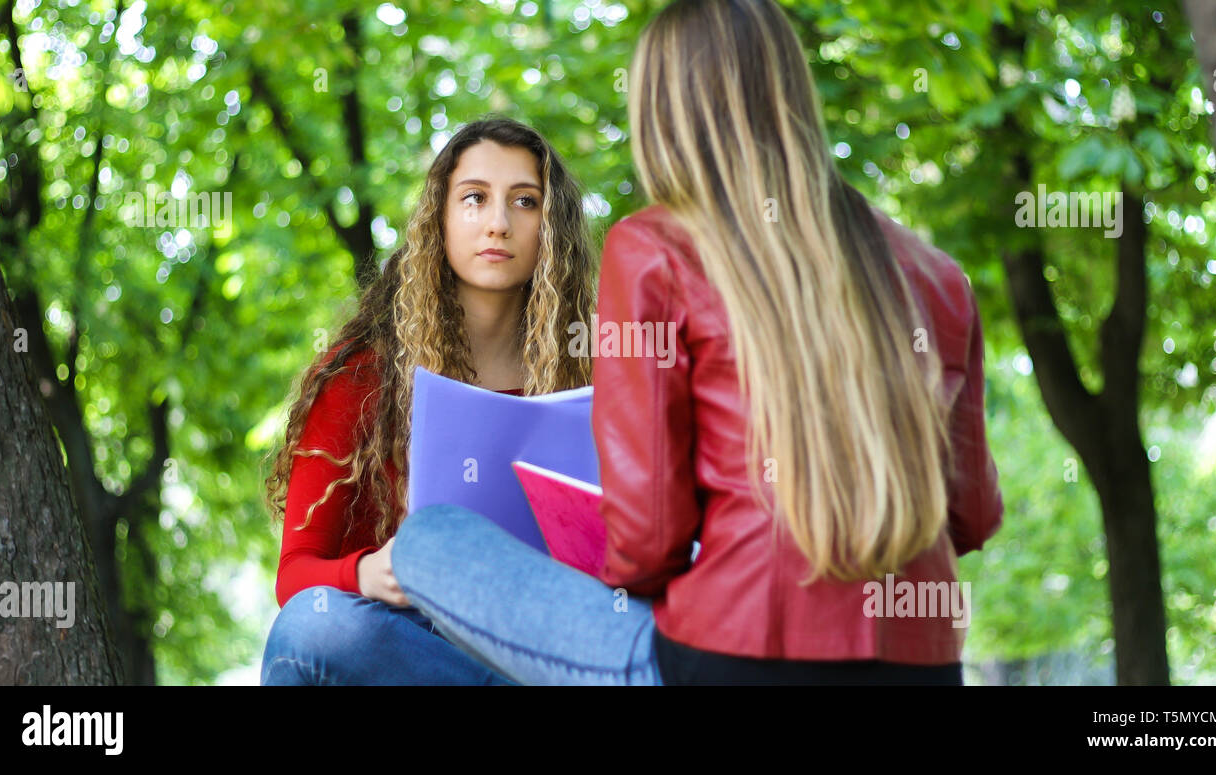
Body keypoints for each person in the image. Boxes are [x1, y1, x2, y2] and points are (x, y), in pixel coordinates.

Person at [390, 0, 1005, 686]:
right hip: (923, 664)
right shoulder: (938, 278)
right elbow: (972, 516)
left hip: (728, 657)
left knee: (431, 537)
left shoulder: (654, 248)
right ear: (793, 94)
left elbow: (649, 539)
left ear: (663, 113)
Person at [259, 117, 596, 685]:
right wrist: (369, 573)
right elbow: (295, 576)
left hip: (542, 647)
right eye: (474, 199)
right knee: (307, 633)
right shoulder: (361, 374)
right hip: (410, 648)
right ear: (439, 218)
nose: (498, 222)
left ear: (552, 226)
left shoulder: (590, 380)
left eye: (525, 201)